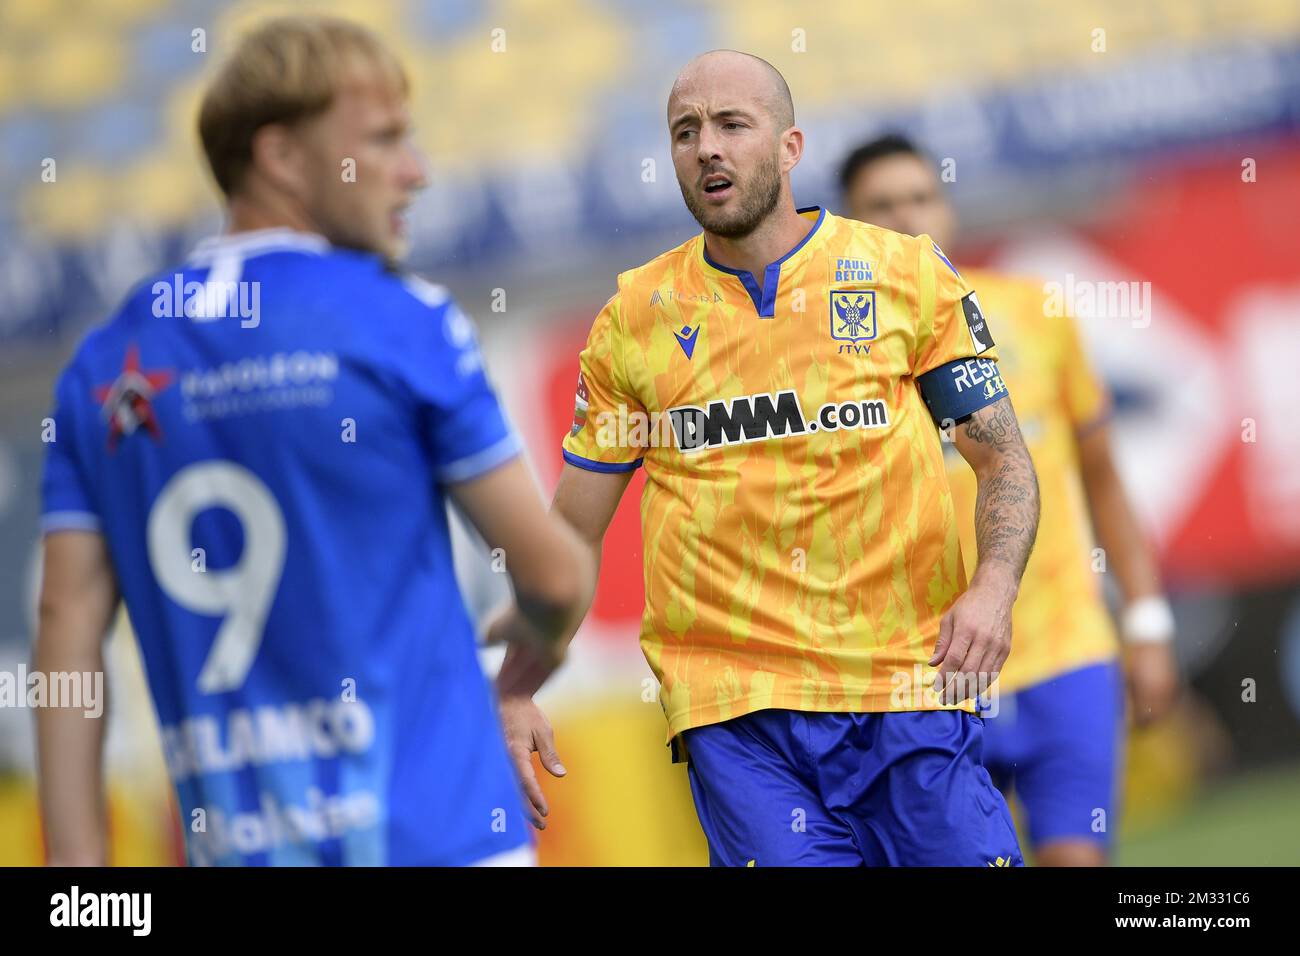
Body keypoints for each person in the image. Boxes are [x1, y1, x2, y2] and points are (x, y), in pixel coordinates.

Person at [34, 15, 592, 867]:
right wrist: (540, 634)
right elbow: (554, 571)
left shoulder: (102, 365)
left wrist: (77, 881)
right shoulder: (397, 318)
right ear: (283, 157)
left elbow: (64, 630)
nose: (417, 172)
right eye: (384, 140)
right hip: (438, 840)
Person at [496, 51, 1040, 866]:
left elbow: (1002, 461)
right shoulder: (633, 319)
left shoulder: (907, 275)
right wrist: (516, 683)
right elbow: (573, 533)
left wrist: (993, 589)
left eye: (730, 125)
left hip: (907, 682)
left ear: (789, 148)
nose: (706, 147)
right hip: (737, 715)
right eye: (685, 132)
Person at [840, 133, 1180, 865]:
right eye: (883, 207)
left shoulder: (1034, 315)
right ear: (850, 227)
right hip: (929, 680)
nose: (909, 220)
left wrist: (1147, 622)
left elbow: (1104, 480)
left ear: (948, 205)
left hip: (1067, 650)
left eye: (922, 198)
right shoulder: (834, 359)